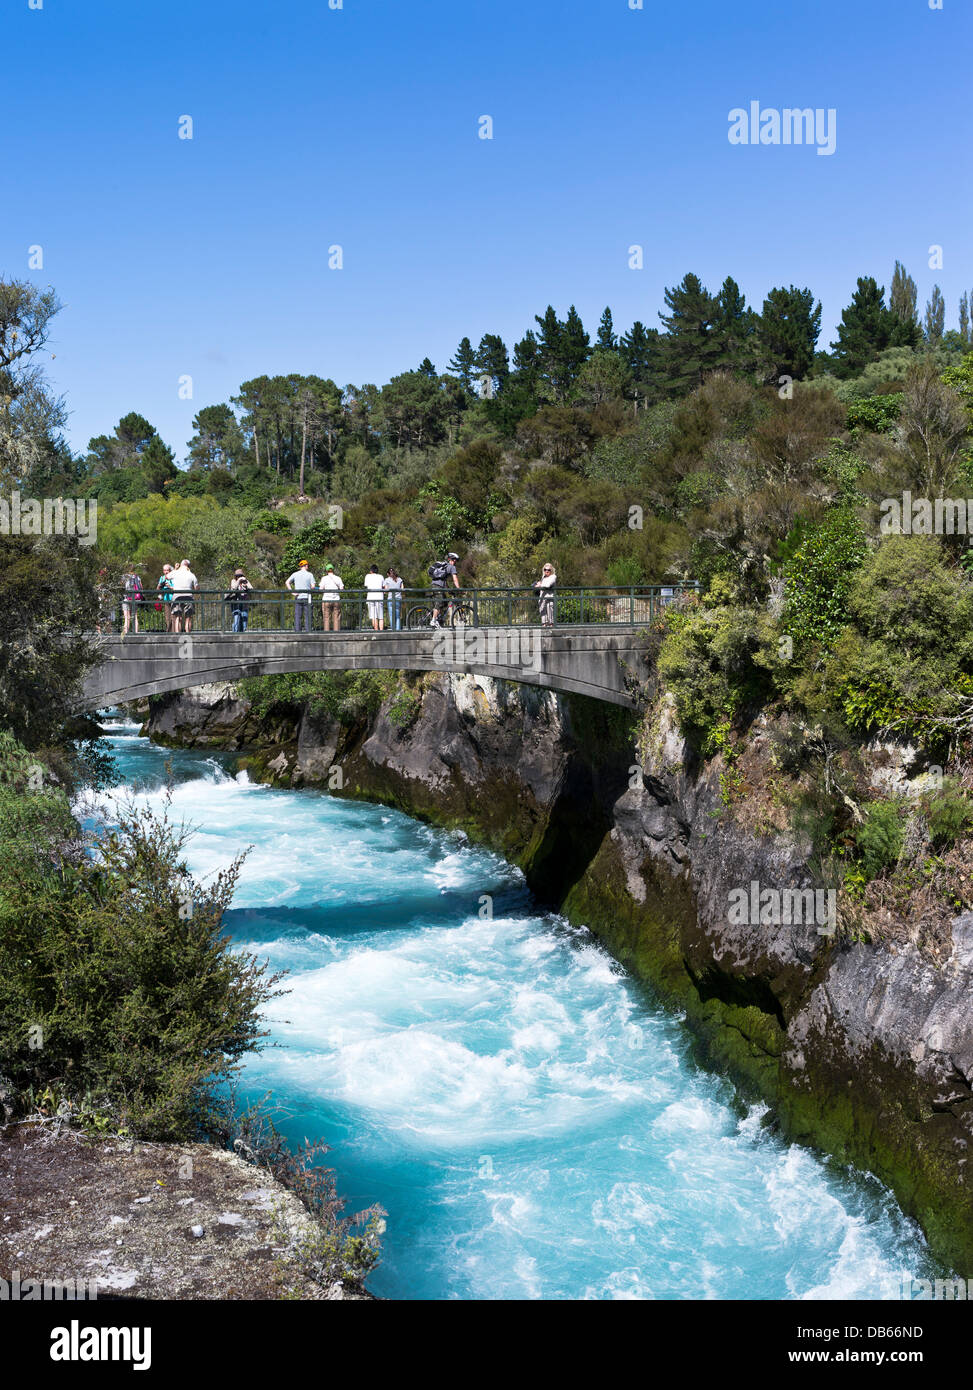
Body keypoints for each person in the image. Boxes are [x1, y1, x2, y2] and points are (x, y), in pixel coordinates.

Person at [429, 551, 460, 627]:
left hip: (433, 585)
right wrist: (459, 589)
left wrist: (449, 590)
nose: (455, 562)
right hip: (438, 587)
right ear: (452, 560)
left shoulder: (444, 566)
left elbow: (444, 581)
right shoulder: (452, 567)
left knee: (444, 603)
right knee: (440, 602)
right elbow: (455, 579)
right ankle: (433, 620)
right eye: (455, 560)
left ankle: (438, 619)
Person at [286, 559, 316, 632]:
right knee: (308, 616)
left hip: (298, 597)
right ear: (305, 566)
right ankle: (308, 632)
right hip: (307, 598)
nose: (308, 566)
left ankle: (297, 632)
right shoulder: (310, 574)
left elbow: (287, 582)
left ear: (300, 566)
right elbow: (313, 586)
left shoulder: (295, 574)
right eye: (307, 565)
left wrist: (292, 592)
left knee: (297, 616)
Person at [170, 558, 199, 634]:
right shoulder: (191, 574)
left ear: (181, 565)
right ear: (188, 566)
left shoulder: (175, 573)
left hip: (177, 596)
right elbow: (197, 588)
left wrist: (175, 569)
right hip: (188, 596)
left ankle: (177, 636)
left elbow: (167, 576)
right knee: (188, 618)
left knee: (178, 618)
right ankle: (188, 634)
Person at [225, 567, 253, 633]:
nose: (239, 577)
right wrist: (239, 581)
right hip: (236, 604)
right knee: (236, 620)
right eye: (238, 576)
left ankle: (243, 635)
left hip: (244, 604)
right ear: (236, 576)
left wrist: (246, 584)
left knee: (244, 621)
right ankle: (234, 635)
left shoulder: (245, 581)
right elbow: (234, 588)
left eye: (241, 576)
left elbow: (251, 588)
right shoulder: (234, 581)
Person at [319, 562, 344, 631]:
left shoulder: (324, 578)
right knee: (336, 617)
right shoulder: (338, 578)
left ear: (327, 570)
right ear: (333, 570)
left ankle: (327, 633)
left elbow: (321, 589)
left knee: (326, 617)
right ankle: (336, 633)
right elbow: (342, 588)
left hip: (326, 599)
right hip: (336, 599)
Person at [121, 567, 143, 635]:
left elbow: (121, 587)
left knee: (126, 617)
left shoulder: (124, 576)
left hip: (126, 598)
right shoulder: (137, 577)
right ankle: (136, 632)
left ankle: (125, 633)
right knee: (135, 616)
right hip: (135, 598)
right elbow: (141, 587)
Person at [534, 562, 556, 627]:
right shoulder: (543, 577)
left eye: (548, 570)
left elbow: (548, 585)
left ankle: (551, 626)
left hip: (549, 597)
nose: (546, 571)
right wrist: (537, 584)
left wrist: (540, 585)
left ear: (551, 570)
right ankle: (544, 625)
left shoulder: (553, 577)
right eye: (545, 569)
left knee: (550, 612)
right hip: (542, 597)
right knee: (542, 611)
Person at [364, 564, 385, 631]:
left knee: (374, 616)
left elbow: (366, 586)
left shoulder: (367, 576)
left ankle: (376, 630)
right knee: (381, 616)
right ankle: (381, 630)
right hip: (380, 597)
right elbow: (384, 587)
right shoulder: (381, 576)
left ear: (371, 571)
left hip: (371, 597)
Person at [157, 564, 174, 632]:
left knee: (174, 616)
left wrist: (169, 586)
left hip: (174, 599)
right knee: (167, 616)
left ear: (170, 570)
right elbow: (157, 589)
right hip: (166, 599)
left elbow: (177, 588)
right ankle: (169, 630)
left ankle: (173, 630)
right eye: (165, 570)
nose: (166, 572)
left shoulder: (173, 578)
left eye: (167, 570)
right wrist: (160, 585)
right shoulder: (162, 578)